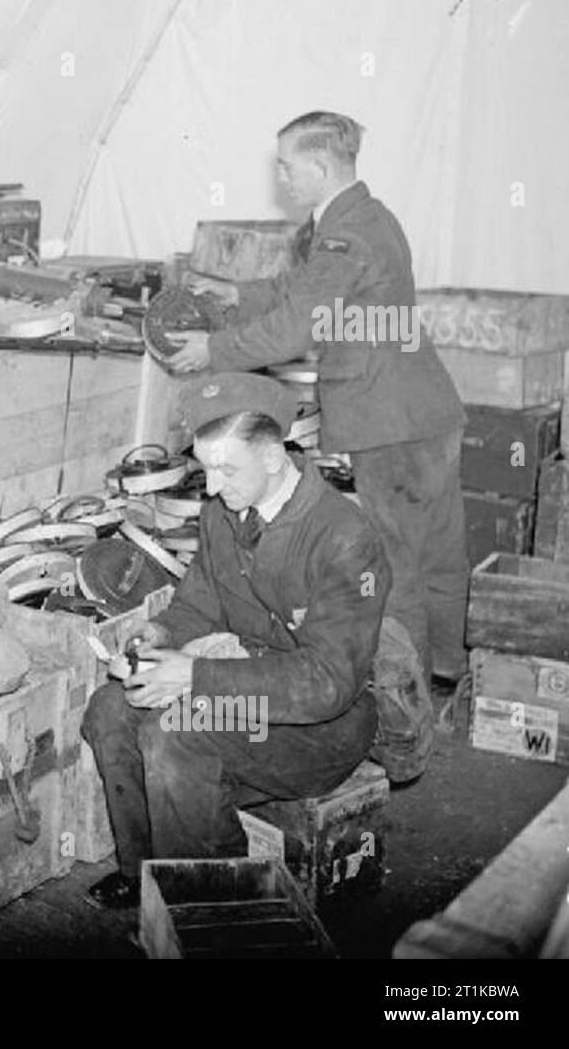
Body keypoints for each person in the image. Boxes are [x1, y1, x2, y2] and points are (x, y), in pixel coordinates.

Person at [167, 110, 467, 686]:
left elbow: (297, 327)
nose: (281, 178)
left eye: (287, 166)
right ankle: (448, 671)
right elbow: (297, 290)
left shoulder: (342, 234)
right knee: (440, 551)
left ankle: (407, 698)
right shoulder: (369, 218)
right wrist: (236, 293)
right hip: (427, 409)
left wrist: (214, 349)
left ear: (320, 165)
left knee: (396, 562)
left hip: (388, 421)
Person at [81, 372, 390, 910]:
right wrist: (161, 634)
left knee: (176, 735)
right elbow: (201, 603)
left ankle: (213, 906)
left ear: (274, 457)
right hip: (245, 690)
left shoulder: (345, 538)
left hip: (322, 727)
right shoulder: (222, 514)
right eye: (206, 470)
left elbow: (328, 684)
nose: (214, 486)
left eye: (227, 469)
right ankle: (145, 872)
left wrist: (195, 676)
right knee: (110, 708)